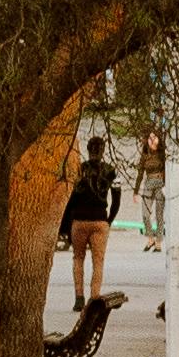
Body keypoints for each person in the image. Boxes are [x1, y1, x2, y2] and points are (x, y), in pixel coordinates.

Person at [62, 126, 121, 304]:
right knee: (98, 261)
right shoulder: (111, 171)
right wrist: (109, 220)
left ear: (88, 150)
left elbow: (70, 198)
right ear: (103, 151)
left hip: (79, 220)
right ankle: (94, 298)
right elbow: (117, 199)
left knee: (78, 258)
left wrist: (67, 223)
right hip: (99, 220)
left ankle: (79, 297)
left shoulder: (79, 170)